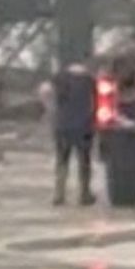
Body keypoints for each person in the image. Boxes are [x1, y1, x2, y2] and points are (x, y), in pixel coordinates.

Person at [40, 59, 98, 206]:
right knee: (84, 160)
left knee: (62, 159)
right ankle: (84, 194)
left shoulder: (59, 77)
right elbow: (97, 101)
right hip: (84, 125)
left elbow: (45, 91)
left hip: (63, 124)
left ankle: (59, 194)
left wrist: (51, 110)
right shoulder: (89, 80)